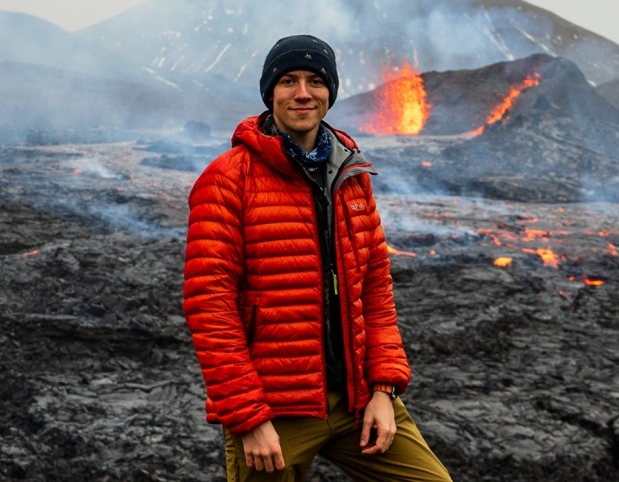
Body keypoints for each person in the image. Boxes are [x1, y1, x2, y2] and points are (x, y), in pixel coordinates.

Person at [183, 35, 451, 481]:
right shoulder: (228, 178)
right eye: (288, 81)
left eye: (315, 81)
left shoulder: (351, 172)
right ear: (270, 92)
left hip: (357, 400)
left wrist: (383, 388)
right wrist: (247, 417)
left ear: (331, 92)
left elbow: (374, 290)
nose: (303, 93)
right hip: (275, 411)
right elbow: (210, 305)